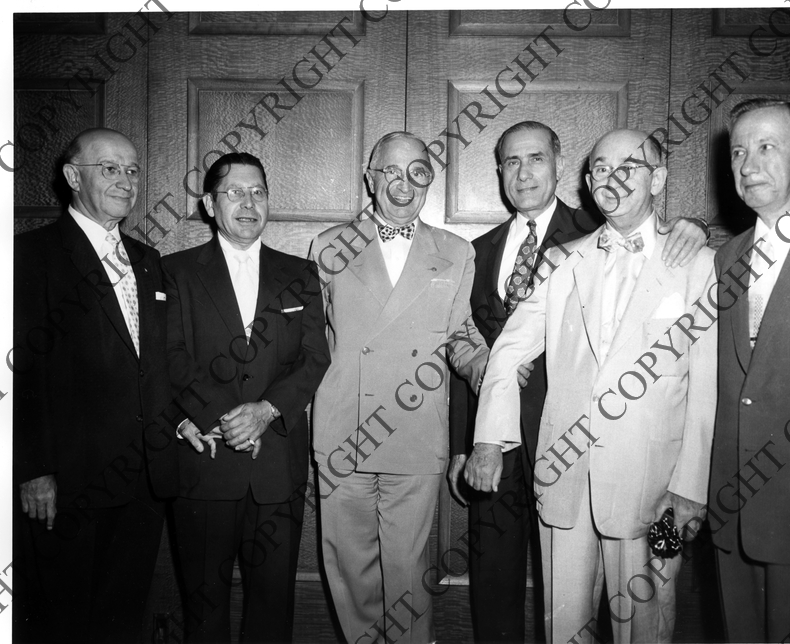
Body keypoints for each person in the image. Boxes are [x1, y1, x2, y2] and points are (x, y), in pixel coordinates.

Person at [447, 121, 709, 643]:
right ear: (588, 183)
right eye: (602, 169)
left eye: (629, 167)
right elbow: (507, 352)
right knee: (563, 625)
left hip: (648, 483)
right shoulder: (564, 260)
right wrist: (489, 442)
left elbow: (706, 389)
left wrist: (690, 486)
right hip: (562, 474)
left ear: (658, 180)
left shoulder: (697, 265)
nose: (613, 178)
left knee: (645, 627)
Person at [310, 131, 489, 644]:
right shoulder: (329, 245)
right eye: (391, 170)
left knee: (408, 570)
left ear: (430, 181)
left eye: (418, 172)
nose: (403, 184)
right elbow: (312, 340)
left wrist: (486, 368)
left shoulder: (455, 251)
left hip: (414, 428)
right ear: (370, 178)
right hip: (344, 428)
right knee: (350, 568)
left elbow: (461, 336)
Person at [13, 127, 177, 643]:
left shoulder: (147, 260)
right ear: (72, 177)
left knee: (121, 617)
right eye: (109, 169)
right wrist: (34, 469)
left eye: (132, 170)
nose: (125, 181)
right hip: (69, 481)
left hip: (142, 478)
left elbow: (155, 363)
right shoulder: (30, 255)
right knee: (61, 620)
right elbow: (20, 372)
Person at [162, 152, 330, 642]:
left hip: (276, 467)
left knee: (272, 612)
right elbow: (170, 357)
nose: (249, 203)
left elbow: (314, 357)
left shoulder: (300, 273)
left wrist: (265, 411)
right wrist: (224, 417)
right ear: (209, 205)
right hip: (206, 463)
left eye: (258, 192)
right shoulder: (174, 272)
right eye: (234, 192)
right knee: (204, 611)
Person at [710, 98, 790, 642]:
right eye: (739, 151)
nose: (748, 165)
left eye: (767, 147)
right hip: (734, 503)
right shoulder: (726, 258)